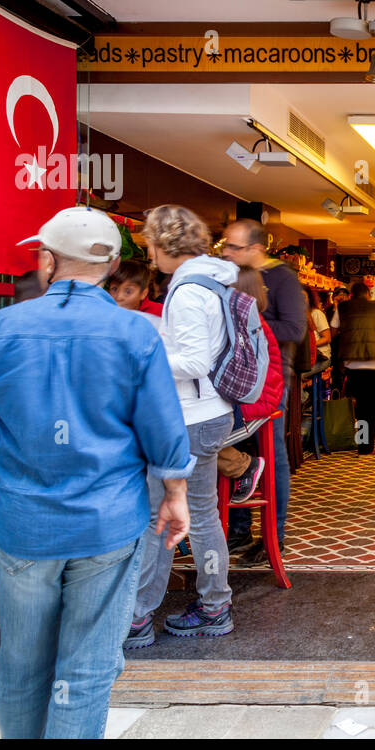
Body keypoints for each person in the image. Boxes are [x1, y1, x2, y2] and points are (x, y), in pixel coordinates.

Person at [0, 207, 192, 737]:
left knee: (21, 663)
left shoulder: (5, 326)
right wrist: (175, 492)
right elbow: (161, 425)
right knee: (86, 667)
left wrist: (28, 413)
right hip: (107, 519)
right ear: (108, 268)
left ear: (48, 260)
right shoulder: (134, 332)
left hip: (25, 520)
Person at [129, 204, 238, 646]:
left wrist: (143, 353)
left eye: (151, 244)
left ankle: (137, 615)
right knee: (204, 515)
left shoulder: (189, 289)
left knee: (161, 516)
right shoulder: (211, 280)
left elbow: (194, 360)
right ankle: (215, 605)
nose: (149, 254)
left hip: (190, 417)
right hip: (209, 413)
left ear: (166, 243)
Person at [220, 219, 305, 548]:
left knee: (272, 453)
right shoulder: (227, 277)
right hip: (233, 379)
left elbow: (295, 329)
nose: (226, 253)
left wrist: (252, 325)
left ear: (255, 248)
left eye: (233, 247)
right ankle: (238, 528)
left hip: (270, 378)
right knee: (237, 451)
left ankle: (275, 534)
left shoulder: (282, 277)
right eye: (224, 246)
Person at [216, 268, 285, 560]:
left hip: (255, 407)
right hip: (250, 403)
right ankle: (232, 530)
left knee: (191, 438)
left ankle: (243, 467)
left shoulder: (246, 325)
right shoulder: (243, 322)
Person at [331, 282, 375, 455]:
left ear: (352, 294)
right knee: (372, 406)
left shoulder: (343, 308)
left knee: (359, 406)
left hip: (353, 362)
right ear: (368, 294)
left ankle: (362, 444)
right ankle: (368, 447)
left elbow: (334, 331)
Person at [105, 259, 162, 327]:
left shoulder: (160, 313)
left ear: (144, 293)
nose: (119, 297)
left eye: (128, 291)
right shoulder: (103, 313)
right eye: (114, 289)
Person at [309, 290, 332, 364]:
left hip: (321, 355)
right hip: (308, 356)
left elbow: (327, 338)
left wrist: (310, 346)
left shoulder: (316, 313)